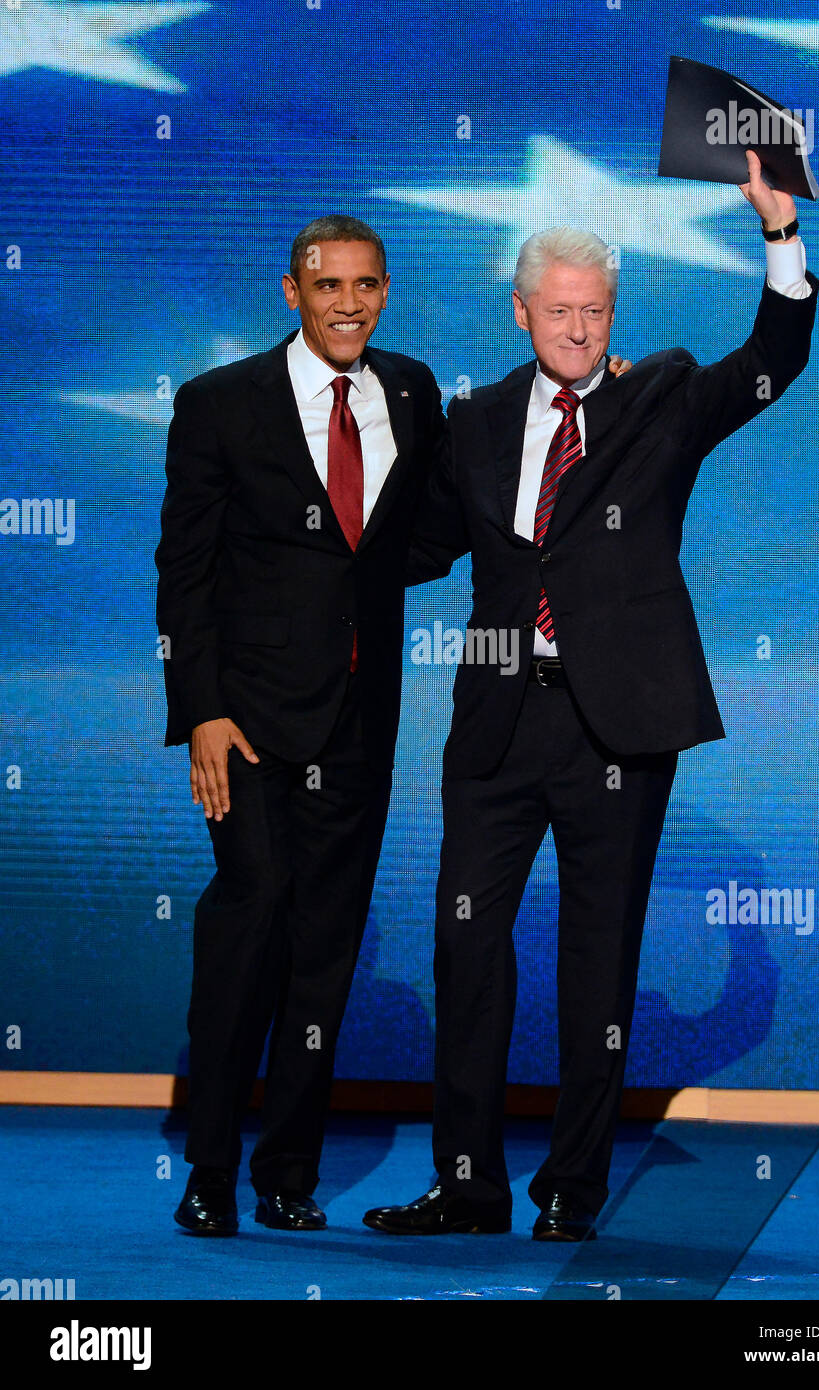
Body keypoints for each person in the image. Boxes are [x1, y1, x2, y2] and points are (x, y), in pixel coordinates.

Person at [363, 151, 819, 1241]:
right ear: (521, 310)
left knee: (595, 953)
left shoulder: (659, 398)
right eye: (559, 310)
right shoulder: (469, 425)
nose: (577, 328)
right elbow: (409, 550)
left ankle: (569, 1188)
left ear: (613, 312)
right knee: (466, 945)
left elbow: (770, 358)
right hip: (495, 728)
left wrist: (775, 237)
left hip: (619, 723)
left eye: (595, 310)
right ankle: (466, 1185)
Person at [155, 215, 446, 1235]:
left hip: (359, 723)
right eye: (328, 287)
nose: (349, 304)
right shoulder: (218, 402)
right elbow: (183, 575)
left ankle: (286, 1173)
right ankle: (207, 1167)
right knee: (252, 914)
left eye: (367, 285)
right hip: (247, 725)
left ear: (384, 291)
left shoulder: (410, 391)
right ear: (292, 293)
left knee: (324, 948)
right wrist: (200, 712)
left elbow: (426, 528)